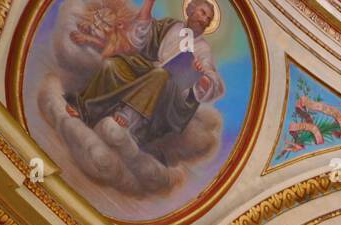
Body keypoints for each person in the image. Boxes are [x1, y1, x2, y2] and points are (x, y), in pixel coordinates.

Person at [66, 0, 224, 149]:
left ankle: (128, 116)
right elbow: (140, 38)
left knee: (161, 75)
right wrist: (149, 4)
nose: (204, 20)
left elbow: (211, 79)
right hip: (150, 70)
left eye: (208, 19)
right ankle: (85, 108)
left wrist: (202, 77)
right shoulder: (171, 25)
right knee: (113, 65)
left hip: (171, 94)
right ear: (191, 10)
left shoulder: (203, 48)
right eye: (203, 13)